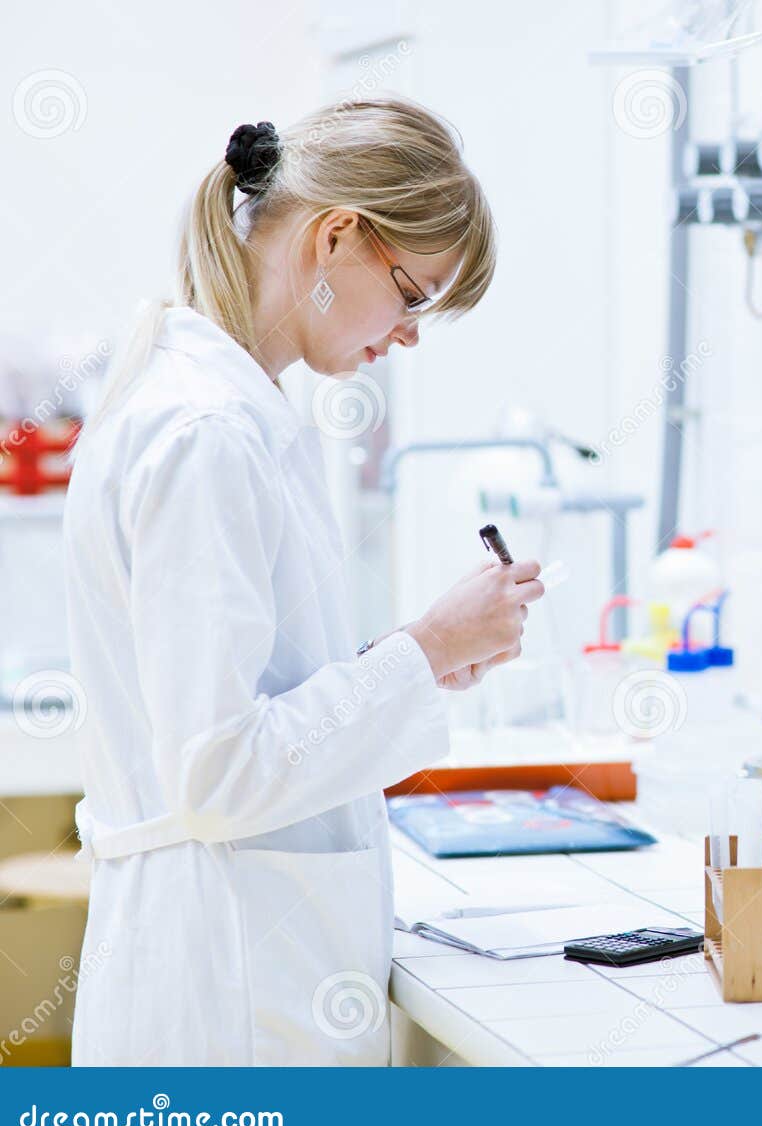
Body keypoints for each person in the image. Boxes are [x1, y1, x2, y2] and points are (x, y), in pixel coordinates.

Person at [62, 98, 536, 1065]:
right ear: (335, 237)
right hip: (221, 993)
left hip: (241, 960)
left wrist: (412, 667)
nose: (410, 335)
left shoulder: (231, 413)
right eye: (413, 294)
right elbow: (219, 773)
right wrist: (425, 647)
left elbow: (247, 703)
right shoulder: (208, 436)